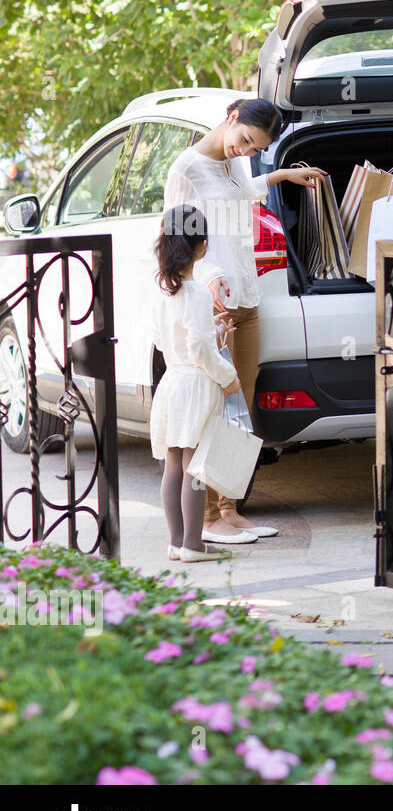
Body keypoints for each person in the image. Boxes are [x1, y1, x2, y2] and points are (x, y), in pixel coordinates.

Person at [164, 98, 326, 544]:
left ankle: (229, 509)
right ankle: (210, 519)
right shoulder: (187, 169)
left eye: (257, 149)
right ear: (230, 117)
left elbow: (236, 200)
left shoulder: (236, 166)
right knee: (215, 410)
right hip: (214, 305)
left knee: (241, 409)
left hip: (247, 298)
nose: (246, 151)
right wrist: (210, 282)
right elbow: (173, 241)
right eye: (245, 141)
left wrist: (279, 176)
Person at [149, 205, 241, 563]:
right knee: (196, 467)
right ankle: (194, 545)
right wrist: (228, 377)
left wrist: (213, 330)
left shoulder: (161, 292)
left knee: (174, 465)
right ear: (201, 247)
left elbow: (166, 341)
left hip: (172, 382)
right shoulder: (199, 292)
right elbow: (201, 350)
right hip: (197, 386)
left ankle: (176, 542)